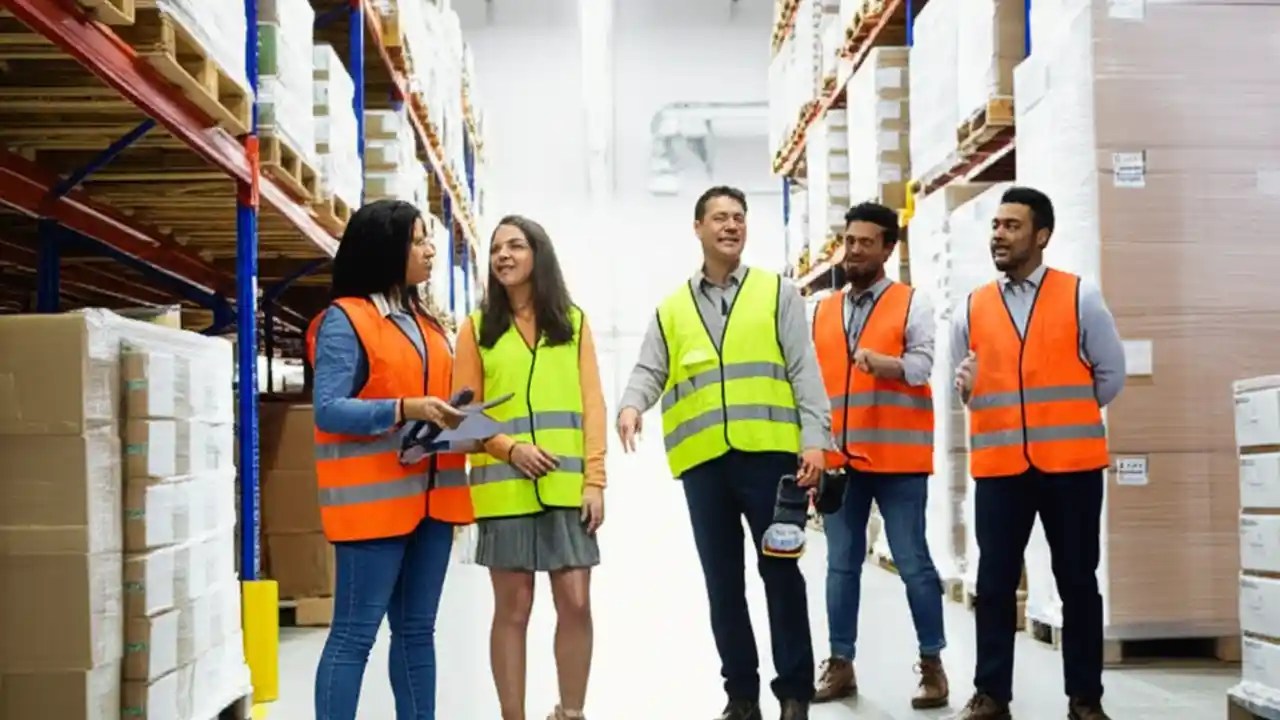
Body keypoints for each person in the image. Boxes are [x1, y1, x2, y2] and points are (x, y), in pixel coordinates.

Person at [617, 185, 829, 720]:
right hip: (705, 464)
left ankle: (795, 692)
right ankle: (741, 695)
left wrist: (816, 440)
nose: (731, 226)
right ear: (698, 229)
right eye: (720, 218)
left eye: (739, 217)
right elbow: (650, 368)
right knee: (723, 583)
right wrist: (631, 405)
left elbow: (805, 368)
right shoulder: (672, 308)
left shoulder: (776, 293)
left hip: (771, 461)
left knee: (781, 574)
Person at [950, 187, 1124, 720]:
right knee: (996, 585)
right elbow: (966, 384)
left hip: (1070, 468)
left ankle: (1085, 699)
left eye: (1012, 226)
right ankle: (992, 696)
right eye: (996, 225)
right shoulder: (973, 305)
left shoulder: (1079, 296)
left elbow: (1110, 376)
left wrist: (1056, 416)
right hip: (1000, 470)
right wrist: (968, 389)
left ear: (1042, 235)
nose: (998, 234)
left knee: (1077, 583)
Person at [308, 199, 476, 720]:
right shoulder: (347, 320)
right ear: (386, 248)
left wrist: (467, 423)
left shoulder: (426, 322)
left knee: (417, 632)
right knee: (354, 635)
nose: (430, 249)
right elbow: (329, 409)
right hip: (373, 508)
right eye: (418, 239)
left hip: (432, 503)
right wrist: (405, 409)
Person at [451, 215, 607, 720]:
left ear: (538, 254)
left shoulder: (574, 323)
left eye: (515, 245)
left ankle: (572, 711)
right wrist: (508, 448)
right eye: (497, 248)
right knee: (513, 609)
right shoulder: (476, 330)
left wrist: (596, 480)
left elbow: (593, 405)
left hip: (566, 489)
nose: (504, 256)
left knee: (577, 602)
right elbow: (461, 417)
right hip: (505, 490)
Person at [810, 202, 949, 708]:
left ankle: (932, 665)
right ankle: (840, 663)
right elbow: (812, 385)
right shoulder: (823, 310)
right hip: (840, 460)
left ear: (889, 249)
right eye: (850, 240)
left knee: (914, 563)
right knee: (840, 566)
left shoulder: (913, 303)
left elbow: (922, 366)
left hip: (899, 460)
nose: (855, 250)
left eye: (867, 242)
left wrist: (884, 364)